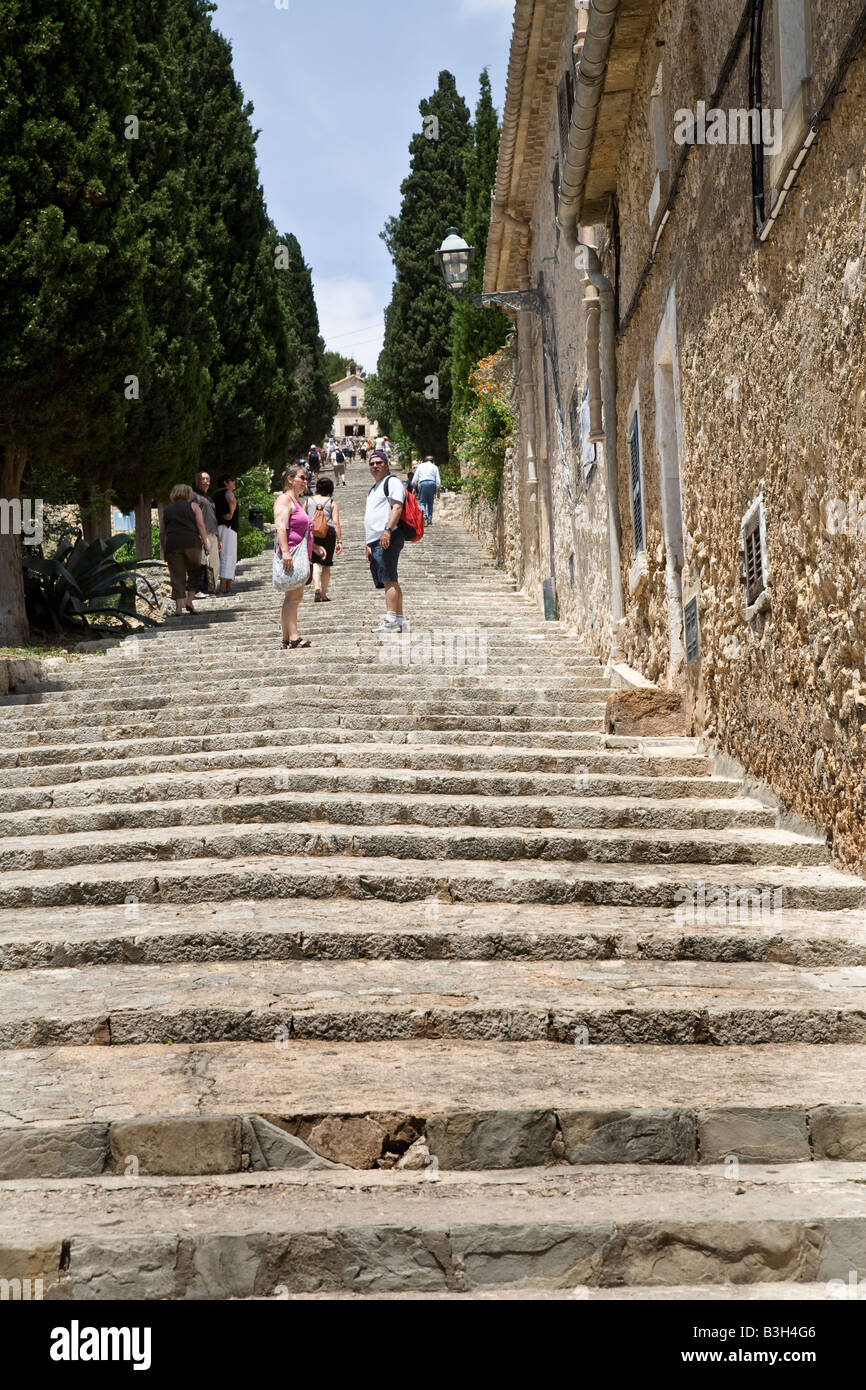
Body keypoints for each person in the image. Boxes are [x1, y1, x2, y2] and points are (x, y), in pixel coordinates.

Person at [274, 464, 327, 648]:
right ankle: (294, 638)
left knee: (292, 596)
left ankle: (287, 638)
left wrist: (315, 548)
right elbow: (280, 527)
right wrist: (286, 552)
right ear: (290, 479)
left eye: (306, 478)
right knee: (294, 597)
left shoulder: (295, 501)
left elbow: (301, 530)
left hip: (299, 553)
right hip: (292, 554)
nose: (306, 481)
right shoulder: (284, 500)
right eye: (302, 478)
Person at [365, 450, 406, 632]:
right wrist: (368, 543)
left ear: (387, 464)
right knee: (389, 579)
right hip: (376, 540)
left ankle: (390, 619)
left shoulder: (392, 482)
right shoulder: (374, 488)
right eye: (372, 464)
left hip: (388, 535)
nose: (375, 466)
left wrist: (387, 530)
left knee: (389, 578)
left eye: (379, 463)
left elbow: (397, 507)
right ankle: (399, 620)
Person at [160, 484, 210, 618]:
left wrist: (165, 549)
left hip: (173, 544)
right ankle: (189, 601)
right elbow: (200, 525)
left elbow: (162, 532)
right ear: (189, 493)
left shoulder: (167, 510)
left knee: (177, 576)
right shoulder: (194, 507)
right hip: (191, 542)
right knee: (195, 571)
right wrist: (206, 544)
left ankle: (178, 609)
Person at [308, 476, 342, 602]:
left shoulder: (309, 500)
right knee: (326, 564)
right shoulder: (331, 502)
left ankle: (316, 587)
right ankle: (323, 594)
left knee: (315, 562)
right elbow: (336, 522)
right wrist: (340, 541)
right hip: (328, 533)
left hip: (312, 533)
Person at [192, 471, 219, 596]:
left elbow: (213, 518)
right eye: (203, 479)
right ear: (197, 481)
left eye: (208, 479)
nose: (206, 481)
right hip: (202, 534)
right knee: (203, 562)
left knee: (213, 564)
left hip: (213, 534)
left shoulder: (209, 498)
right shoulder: (194, 496)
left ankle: (211, 588)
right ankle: (201, 590)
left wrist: (219, 538)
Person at [213, 475, 238, 594]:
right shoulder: (226, 492)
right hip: (227, 527)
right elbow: (232, 501)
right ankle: (224, 586)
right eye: (232, 480)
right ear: (225, 482)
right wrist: (231, 514)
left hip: (223, 526)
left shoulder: (216, 494)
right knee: (227, 554)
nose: (234, 482)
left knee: (228, 554)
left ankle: (227, 585)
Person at [413, 456, 442, 526]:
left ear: (424, 460)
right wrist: (438, 490)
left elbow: (415, 478)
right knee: (430, 503)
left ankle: (424, 514)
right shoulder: (435, 467)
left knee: (422, 502)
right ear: (433, 461)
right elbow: (438, 480)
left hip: (423, 483)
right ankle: (429, 520)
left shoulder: (420, 466)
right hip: (432, 484)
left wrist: (414, 487)